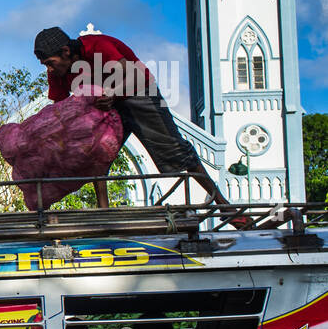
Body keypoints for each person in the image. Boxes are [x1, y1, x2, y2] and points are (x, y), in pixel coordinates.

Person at [34, 26, 246, 224]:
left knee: (175, 150)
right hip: (104, 106)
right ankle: (104, 214)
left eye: (51, 62)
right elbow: (60, 107)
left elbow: (135, 74)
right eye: (46, 65)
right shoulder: (57, 73)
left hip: (138, 92)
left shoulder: (98, 47)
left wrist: (114, 93)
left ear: (65, 52)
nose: (50, 68)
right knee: (96, 154)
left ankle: (223, 205)